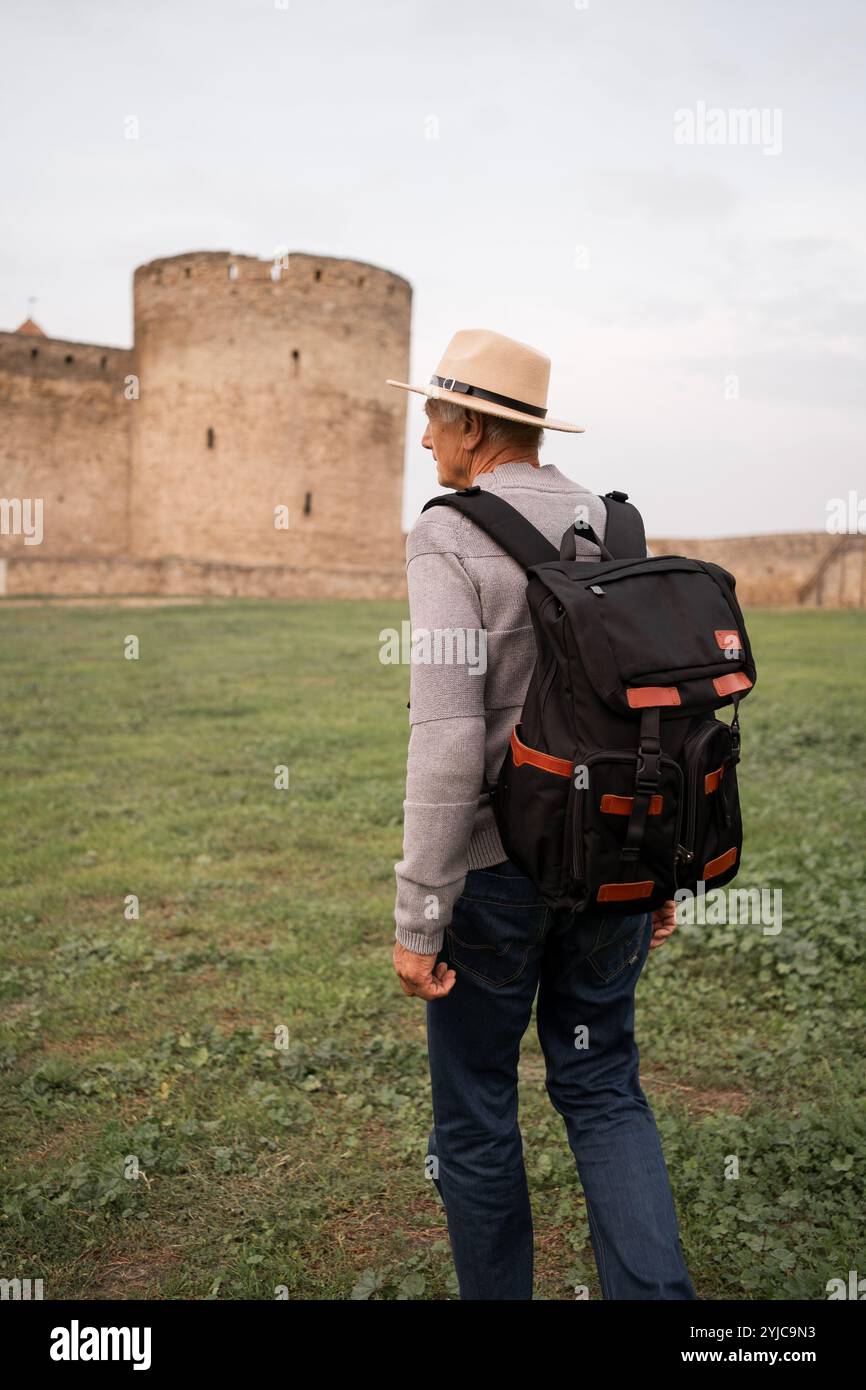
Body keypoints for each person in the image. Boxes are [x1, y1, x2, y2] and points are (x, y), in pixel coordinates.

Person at [386, 328, 694, 1300]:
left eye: (432, 414)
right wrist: (658, 862)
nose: (422, 435)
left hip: (493, 875)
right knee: (603, 1092)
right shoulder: (615, 525)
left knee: (475, 1116)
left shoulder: (447, 532)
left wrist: (416, 915)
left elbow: (444, 738)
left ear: (471, 425)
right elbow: (656, 710)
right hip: (612, 855)